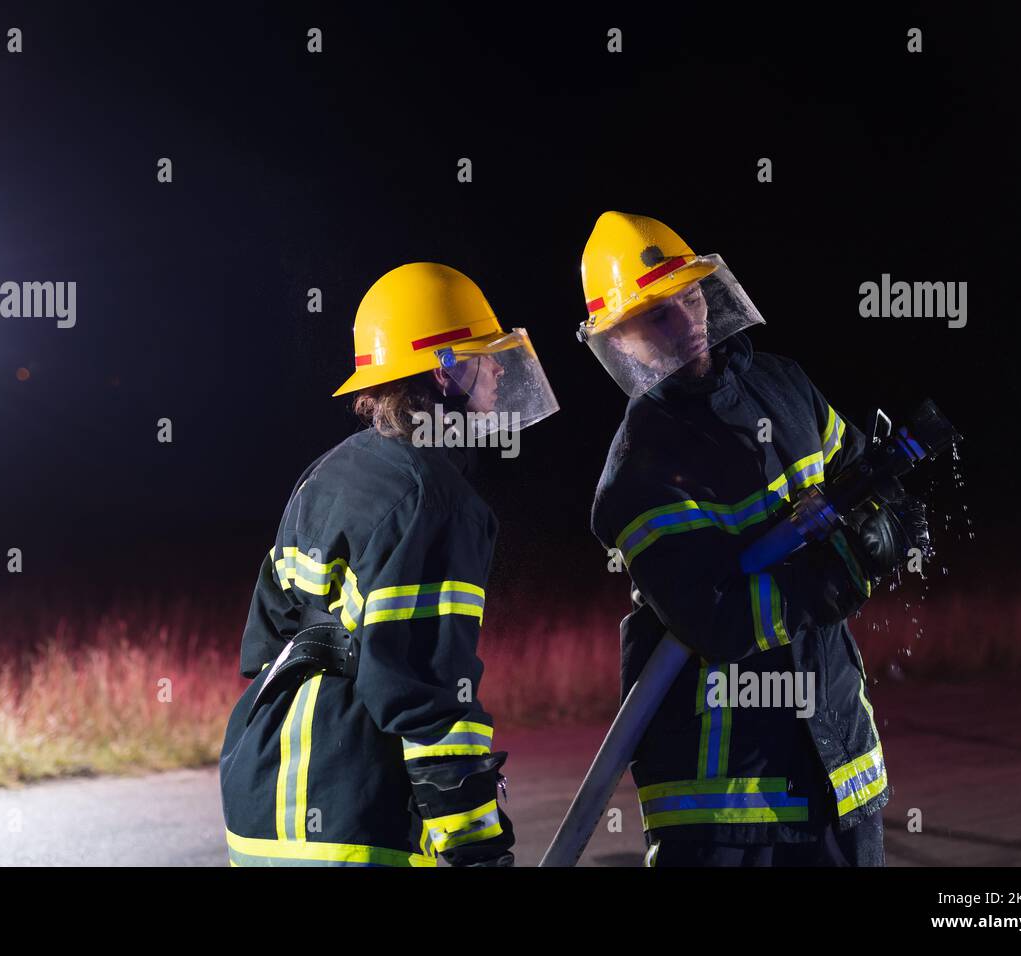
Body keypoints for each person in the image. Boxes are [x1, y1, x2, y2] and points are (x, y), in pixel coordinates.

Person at [579, 211, 926, 866]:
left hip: (840, 771)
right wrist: (842, 571)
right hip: (726, 803)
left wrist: (888, 518)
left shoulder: (784, 386)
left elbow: (861, 475)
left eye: (687, 297)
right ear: (619, 340)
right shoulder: (639, 469)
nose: (686, 324)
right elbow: (717, 620)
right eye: (656, 316)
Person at [220, 261, 559, 866]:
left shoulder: (327, 474)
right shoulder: (439, 501)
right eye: (486, 355)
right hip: (356, 820)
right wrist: (477, 845)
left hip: (261, 801)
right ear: (445, 369)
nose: (501, 369)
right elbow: (425, 698)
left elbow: (262, 648)